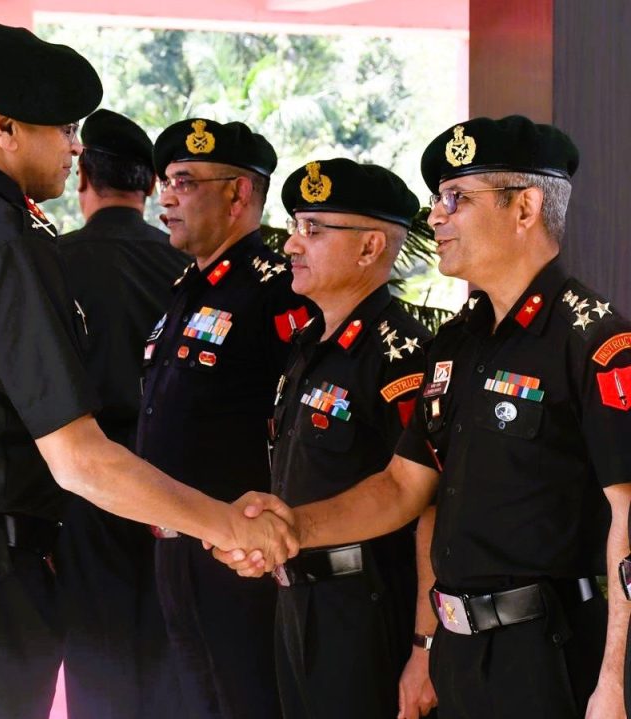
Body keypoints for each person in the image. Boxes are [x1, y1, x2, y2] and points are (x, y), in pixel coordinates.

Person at [0, 24, 296, 719]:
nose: (76, 147)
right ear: (3, 125)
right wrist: (225, 522)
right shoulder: (7, 241)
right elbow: (78, 458)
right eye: (63, 127)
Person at [218, 115, 631, 719]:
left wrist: (615, 683)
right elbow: (401, 486)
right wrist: (291, 529)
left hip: (549, 656)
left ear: (525, 208)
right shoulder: (456, 344)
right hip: (459, 655)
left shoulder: (592, 340)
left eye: (457, 198)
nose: (436, 216)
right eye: (440, 198)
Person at [136, 117, 313, 719]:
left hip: (240, 554)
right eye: (165, 181)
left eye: (184, 181)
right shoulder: (188, 288)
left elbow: (297, 428)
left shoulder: (275, 289)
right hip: (175, 548)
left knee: (246, 700)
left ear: (239, 193)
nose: (165, 196)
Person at [273, 157, 436, 719]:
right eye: (295, 226)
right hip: (298, 600)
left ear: (370, 248)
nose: (293, 244)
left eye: (314, 229)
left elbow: (429, 504)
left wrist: (424, 646)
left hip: (367, 609)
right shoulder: (309, 346)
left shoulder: (402, 354)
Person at [54, 108, 188, 719]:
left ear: (84, 174)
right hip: (176, 478)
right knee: (172, 648)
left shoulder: (54, 261)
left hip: (86, 480)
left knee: (97, 658)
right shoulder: (183, 265)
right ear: (151, 186)